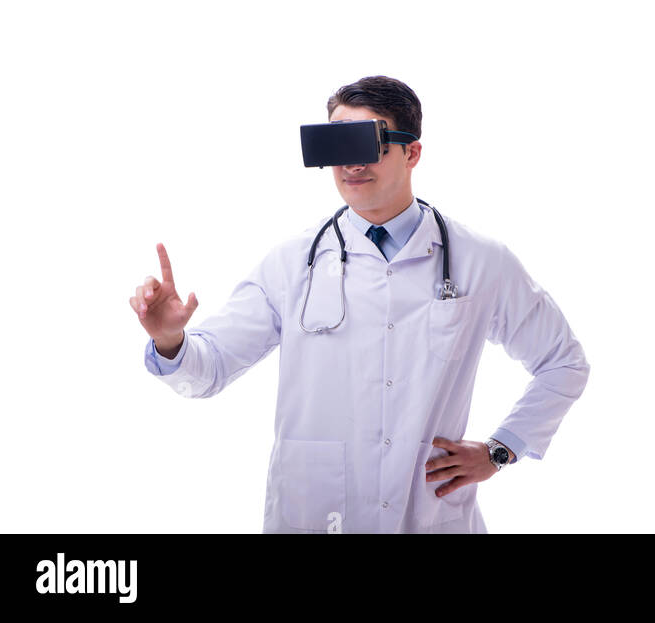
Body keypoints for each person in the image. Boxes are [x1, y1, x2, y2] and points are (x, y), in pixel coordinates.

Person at [129, 76, 589, 533]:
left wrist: (499, 450)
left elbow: (563, 363)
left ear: (412, 152)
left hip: (430, 517)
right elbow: (207, 370)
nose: (350, 164)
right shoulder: (292, 264)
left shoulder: (481, 262)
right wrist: (170, 340)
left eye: (366, 143)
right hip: (314, 515)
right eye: (336, 145)